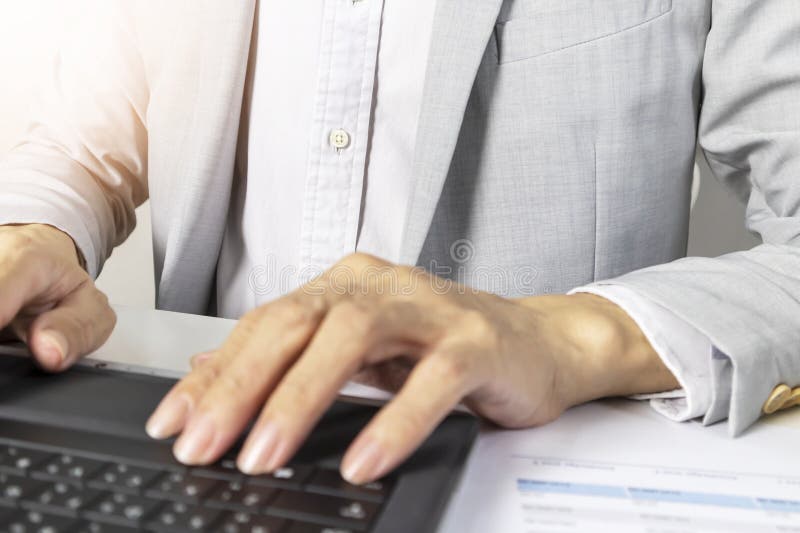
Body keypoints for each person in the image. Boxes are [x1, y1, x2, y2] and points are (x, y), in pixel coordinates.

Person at [0, 1, 798, 486]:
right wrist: (34, 231)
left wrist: (563, 338)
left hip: (514, 472)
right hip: (201, 451)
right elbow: (90, 134)